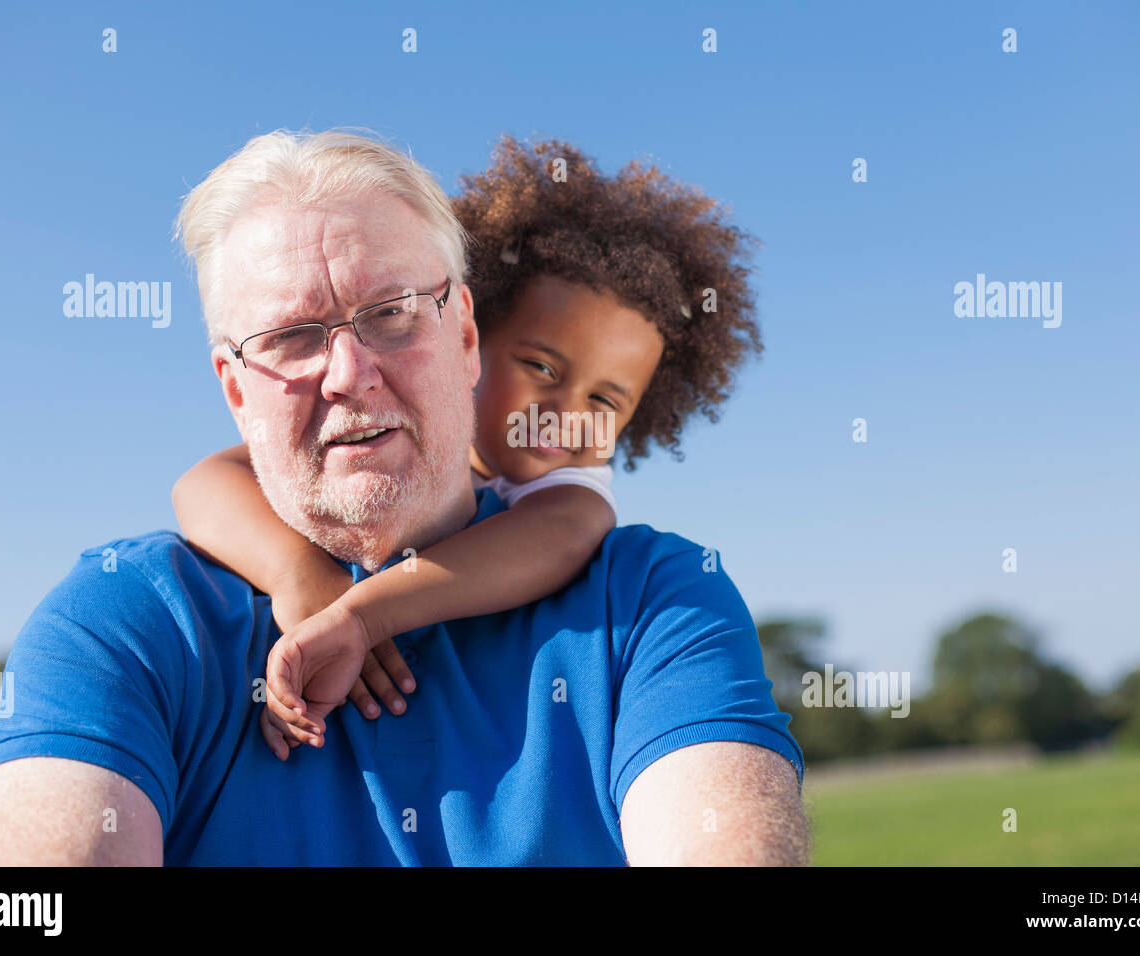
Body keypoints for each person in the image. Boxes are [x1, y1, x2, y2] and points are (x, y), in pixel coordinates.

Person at [0, 129, 810, 865]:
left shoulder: (649, 593)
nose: (347, 374)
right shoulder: (121, 620)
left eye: (392, 313)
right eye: (290, 337)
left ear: (464, 335)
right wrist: (308, 583)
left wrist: (364, 617)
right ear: (234, 389)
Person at [170, 135, 772, 762]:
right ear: (469, 339)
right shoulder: (392, 431)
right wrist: (300, 576)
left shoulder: (572, 492)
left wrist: (365, 616)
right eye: (541, 366)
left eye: (605, 402)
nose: (565, 413)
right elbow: (203, 483)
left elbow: (553, 539)